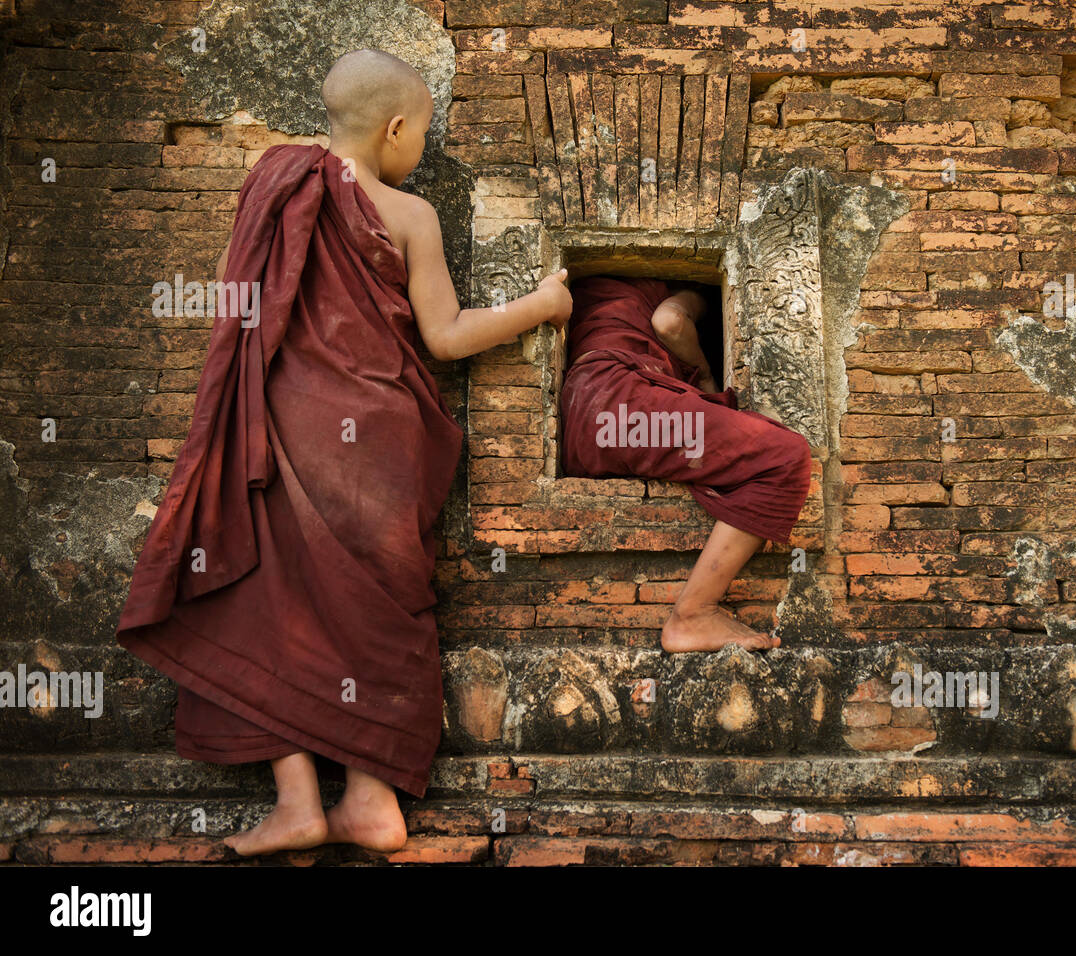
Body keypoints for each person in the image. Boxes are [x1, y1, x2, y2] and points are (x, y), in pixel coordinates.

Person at [115, 49, 572, 856]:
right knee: (383, 602)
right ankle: (369, 797)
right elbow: (447, 335)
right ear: (396, 127)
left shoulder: (273, 184)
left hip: (283, 429)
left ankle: (298, 800)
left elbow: (242, 311)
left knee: (262, 597)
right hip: (384, 441)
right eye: (423, 135)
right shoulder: (409, 213)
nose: (422, 151)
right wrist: (543, 304)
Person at [559, 275, 812, 653]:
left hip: (580, 426)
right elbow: (670, 322)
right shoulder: (677, 291)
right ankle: (693, 614)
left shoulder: (592, 292)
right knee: (783, 456)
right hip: (622, 405)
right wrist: (706, 374)